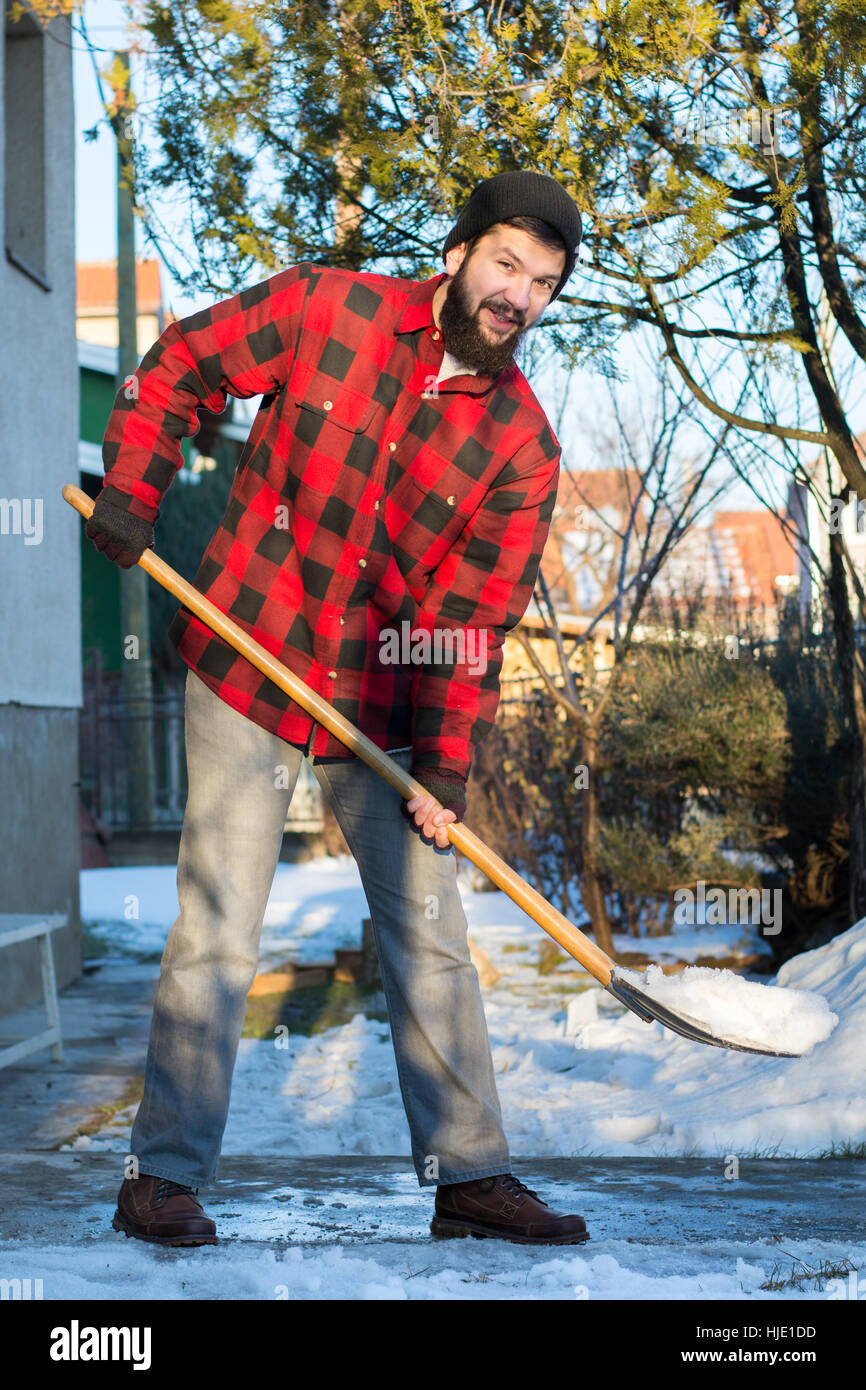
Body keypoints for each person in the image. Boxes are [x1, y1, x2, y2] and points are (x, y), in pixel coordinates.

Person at [87, 170, 590, 1247]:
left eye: (542, 284)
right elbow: (181, 362)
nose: (518, 296)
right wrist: (134, 482)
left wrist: (445, 770)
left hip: (383, 704)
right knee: (218, 920)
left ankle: (467, 1179)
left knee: (429, 933)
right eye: (505, 264)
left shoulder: (521, 446)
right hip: (249, 656)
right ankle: (160, 1177)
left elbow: (469, 621)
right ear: (456, 255)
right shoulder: (329, 307)